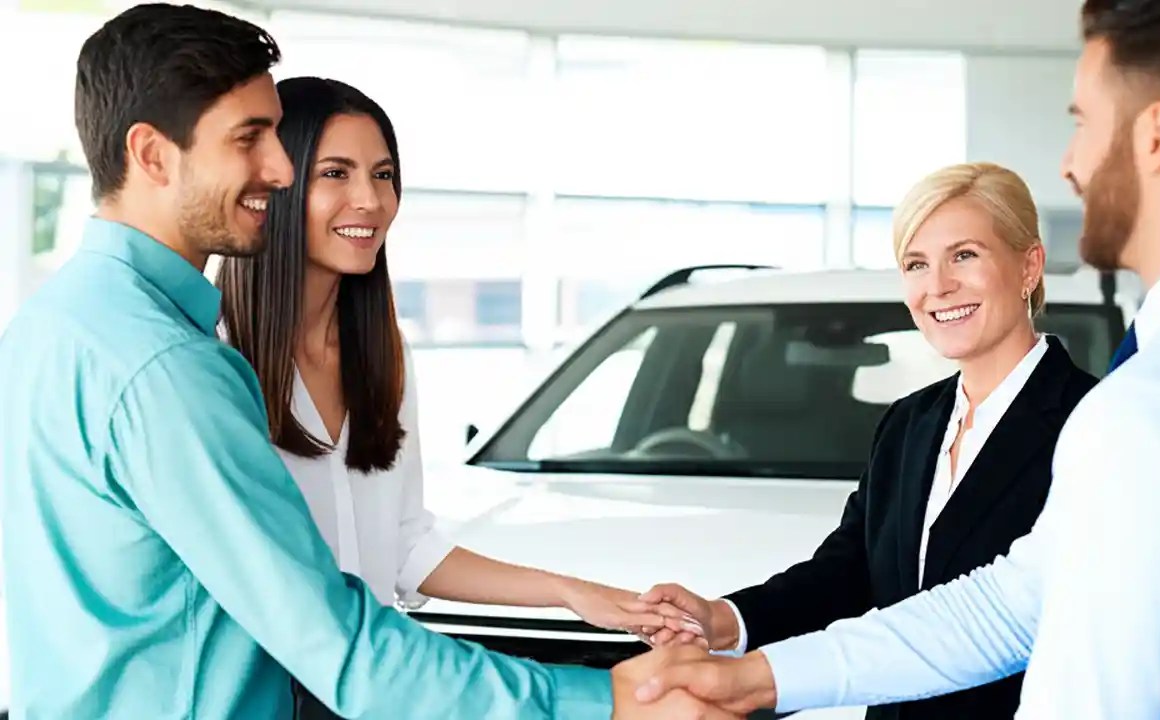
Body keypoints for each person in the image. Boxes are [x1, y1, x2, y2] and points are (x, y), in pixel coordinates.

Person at [0, 5, 720, 718]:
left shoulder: (57, 323)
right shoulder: (175, 368)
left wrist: (573, 596)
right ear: (152, 155)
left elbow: (392, 555)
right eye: (252, 139)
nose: (279, 170)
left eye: (380, 174)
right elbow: (337, 643)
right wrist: (604, 698)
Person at [625, 0, 1160, 717]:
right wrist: (750, 670)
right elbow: (1010, 605)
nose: (1069, 164)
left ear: (1156, 134)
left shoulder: (1149, 407)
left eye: (1082, 122)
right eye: (916, 263)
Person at [214, 76, 698, 717]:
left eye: (384, 176)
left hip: (377, 691)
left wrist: (572, 594)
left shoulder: (383, 355)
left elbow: (406, 544)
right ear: (277, 181)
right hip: (258, 696)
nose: (370, 200)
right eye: (336, 172)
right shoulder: (213, 360)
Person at [636, 161, 1098, 720]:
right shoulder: (910, 423)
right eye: (916, 264)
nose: (938, 286)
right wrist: (726, 618)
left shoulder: (1093, 422)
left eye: (965, 255)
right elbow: (850, 570)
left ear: (1029, 266)